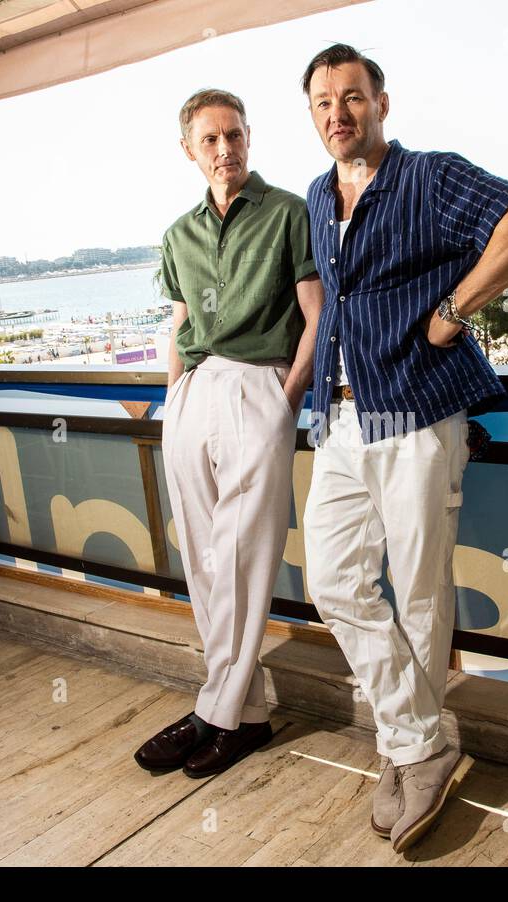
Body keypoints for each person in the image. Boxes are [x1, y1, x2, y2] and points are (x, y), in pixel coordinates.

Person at [299, 44, 508, 851]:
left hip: (413, 412)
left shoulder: (429, 176)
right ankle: (420, 739)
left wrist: (455, 309)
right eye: (322, 102)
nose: (338, 112)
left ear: (381, 103)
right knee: (335, 581)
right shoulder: (316, 195)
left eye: (352, 96)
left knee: (415, 595)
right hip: (342, 418)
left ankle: (406, 748)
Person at [133, 88, 321, 778]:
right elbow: (181, 323)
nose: (225, 149)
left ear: (250, 138)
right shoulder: (177, 234)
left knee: (244, 558)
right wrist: (173, 394)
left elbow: (316, 312)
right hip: (192, 395)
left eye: (235, 135)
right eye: (210, 139)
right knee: (206, 562)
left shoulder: (289, 214)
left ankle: (214, 711)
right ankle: (241, 715)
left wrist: (286, 395)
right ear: (190, 149)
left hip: (257, 386)